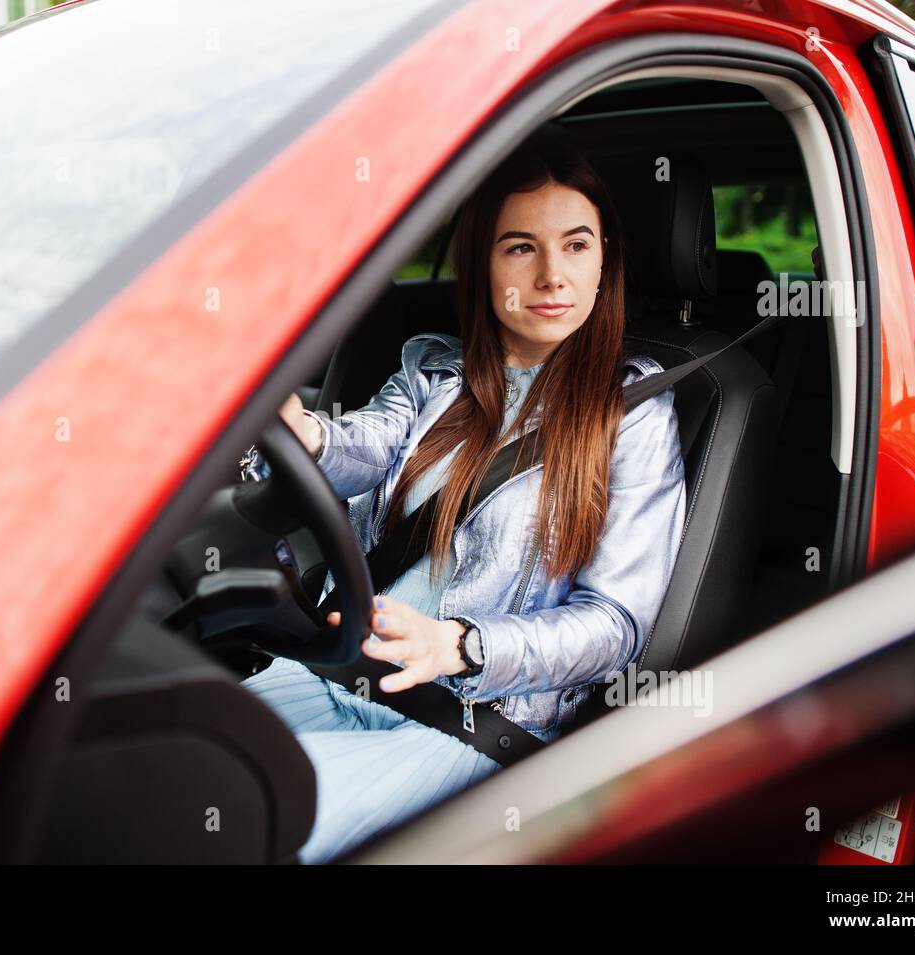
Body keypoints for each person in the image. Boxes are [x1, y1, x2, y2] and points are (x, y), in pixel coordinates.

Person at [241, 124, 687, 864]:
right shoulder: (431, 370)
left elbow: (615, 624)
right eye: (522, 247)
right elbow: (369, 445)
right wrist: (309, 437)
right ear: (483, 263)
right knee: (156, 774)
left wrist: (461, 646)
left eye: (577, 245)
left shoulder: (635, 411)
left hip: (466, 724)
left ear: (605, 260)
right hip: (342, 671)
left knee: (245, 829)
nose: (553, 275)